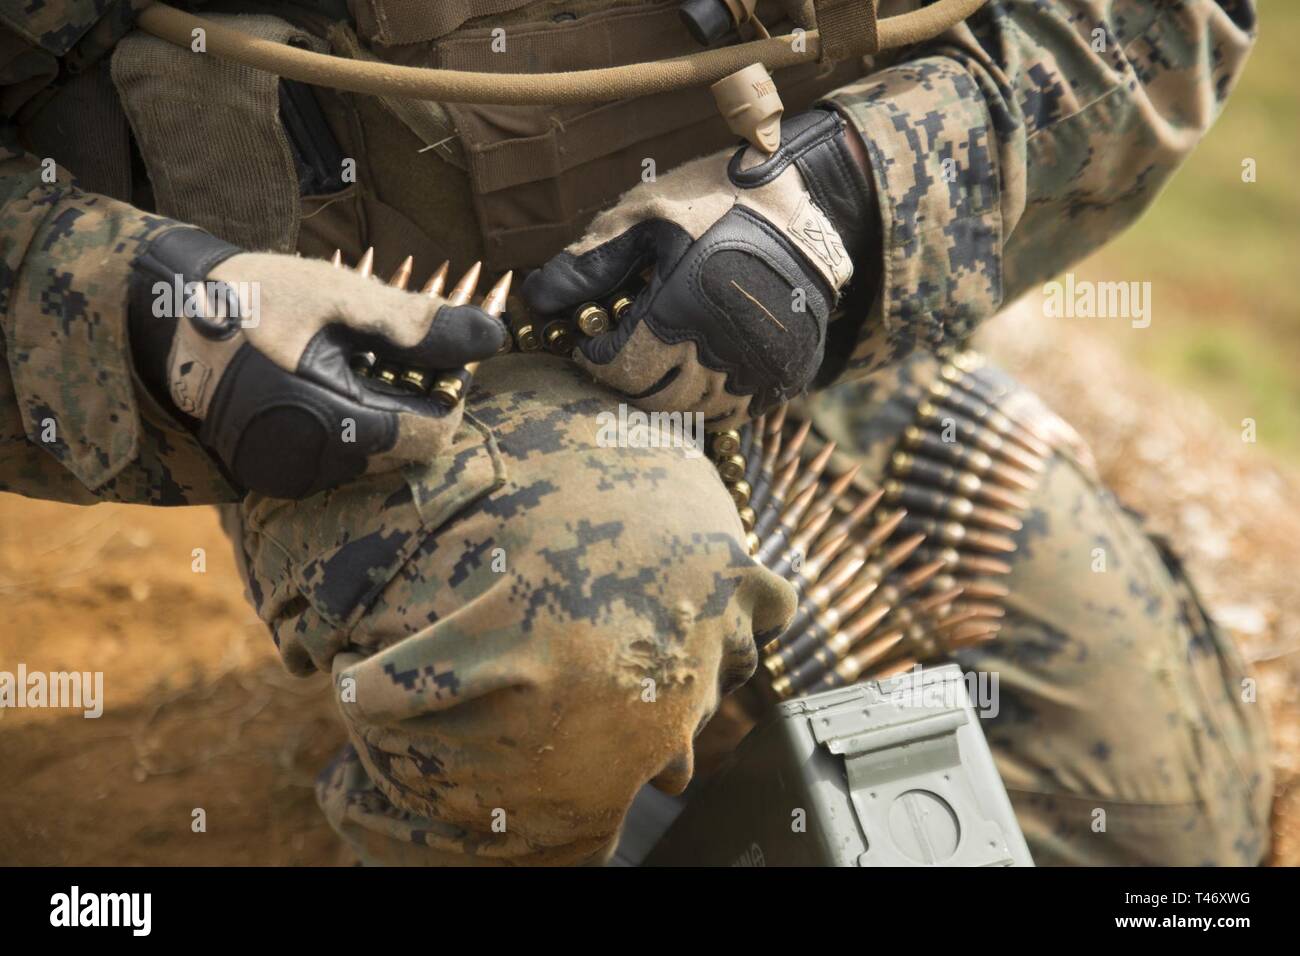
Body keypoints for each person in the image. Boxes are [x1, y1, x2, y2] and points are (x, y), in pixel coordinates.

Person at [0, 0, 1269, 864]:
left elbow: (1162, 22)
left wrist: (853, 194)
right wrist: (158, 309)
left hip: (797, 310)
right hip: (391, 369)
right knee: (582, 636)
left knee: (1156, 813)